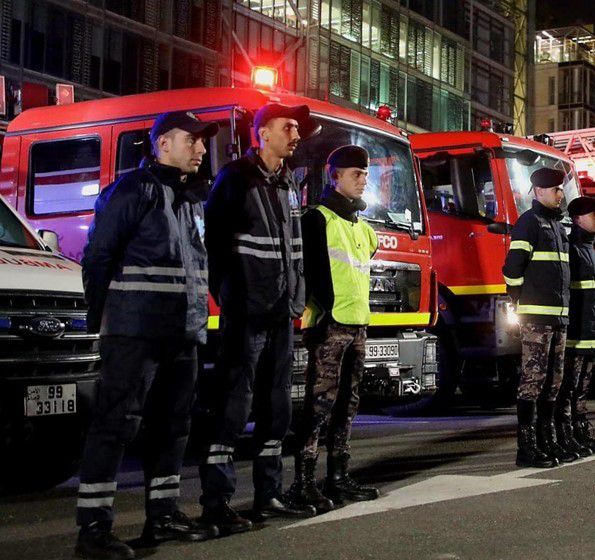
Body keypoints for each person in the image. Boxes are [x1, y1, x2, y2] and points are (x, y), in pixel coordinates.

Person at [77, 111, 220, 559]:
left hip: (182, 333)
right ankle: (94, 530)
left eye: (201, 142)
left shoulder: (191, 198)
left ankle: (164, 515)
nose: (200, 149)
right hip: (135, 331)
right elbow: (98, 256)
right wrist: (99, 319)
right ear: (162, 145)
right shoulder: (132, 190)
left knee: (175, 427)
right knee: (116, 425)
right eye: (192, 140)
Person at [199, 103, 317, 531]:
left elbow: (295, 251)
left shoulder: (288, 184)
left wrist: (295, 299)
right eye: (288, 127)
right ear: (261, 134)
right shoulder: (236, 179)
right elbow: (212, 243)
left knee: (277, 405)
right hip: (246, 314)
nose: (296, 133)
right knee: (233, 405)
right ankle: (218, 502)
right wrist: (232, 295)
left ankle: (268, 495)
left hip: (281, 314)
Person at [289, 145, 381, 510]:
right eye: (355, 174)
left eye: (365, 175)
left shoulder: (362, 227)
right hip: (329, 326)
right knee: (318, 406)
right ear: (335, 177)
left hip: (357, 325)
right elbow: (306, 272)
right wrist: (323, 311)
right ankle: (303, 482)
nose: (363, 181)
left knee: (348, 404)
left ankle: (339, 477)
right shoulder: (317, 219)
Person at [502, 167, 574, 468]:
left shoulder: (557, 226)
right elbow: (512, 269)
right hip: (537, 317)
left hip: (558, 318)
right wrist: (521, 302)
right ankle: (526, 448)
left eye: (561, 190)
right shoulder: (529, 223)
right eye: (556, 190)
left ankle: (546, 441)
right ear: (539, 191)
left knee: (553, 382)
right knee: (532, 381)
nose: (561, 195)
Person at [557, 196, 595, 456]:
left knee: (581, 390)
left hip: (590, 335)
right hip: (575, 336)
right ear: (578, 219)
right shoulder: (573, 249)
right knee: (568, 389)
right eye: (594, 214)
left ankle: (580, 435)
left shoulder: (590, 251)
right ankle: (565, 437)